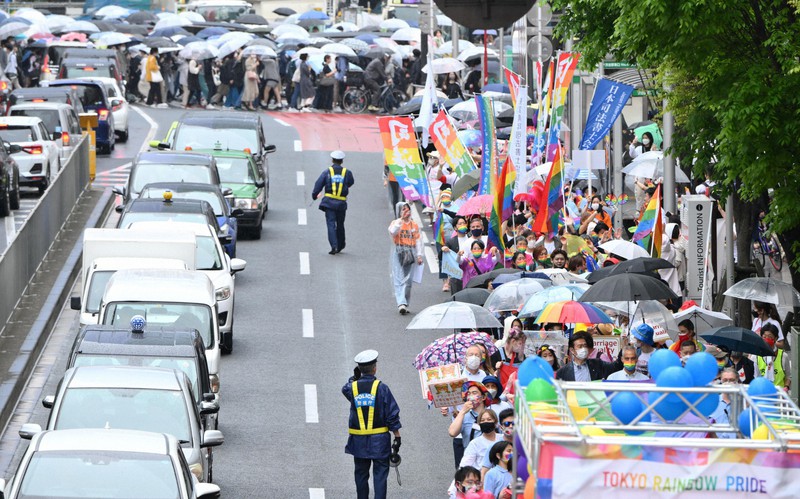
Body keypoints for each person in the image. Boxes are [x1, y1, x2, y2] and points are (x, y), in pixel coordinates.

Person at [342, 350, 401, 499]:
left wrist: (354, 378)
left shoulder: (352, 388)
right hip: (379, 440)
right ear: (375, 368)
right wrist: (397, 436)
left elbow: (345, 388)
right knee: (380, 475)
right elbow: (392, 413)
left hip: (358, 440)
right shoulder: (382, 388)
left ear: (359, 369)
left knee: (361, 474)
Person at [311, 151, 355, 255]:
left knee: (331, 224)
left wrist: (314, 195)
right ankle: (341, 245)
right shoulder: (347, 172)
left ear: (332, 160)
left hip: (329, 203)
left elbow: (318, 184)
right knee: (340, 224)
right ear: (342, 161)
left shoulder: (327, 172)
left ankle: (334, 246)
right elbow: (351, 182)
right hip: (341, 203)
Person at [388, 202, 424, 315]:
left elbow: (418, 241)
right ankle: (401, 303)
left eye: (407, 209)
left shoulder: (414, 225)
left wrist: (419, 255)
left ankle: (406, 302)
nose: (406, 211)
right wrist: (400, 220)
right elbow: (392, 232)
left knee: (408, 280)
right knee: (398, 277)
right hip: (399, 250)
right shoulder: (396, 223)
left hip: (411, 251)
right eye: (403, 209)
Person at [448, 381, 490, 450]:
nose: (471, 396)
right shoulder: (464, 416)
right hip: (471, 455)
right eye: (469, 394)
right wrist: (462, 411)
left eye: (474, 393)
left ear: (483, 397)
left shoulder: (491, 414)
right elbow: (452, 433)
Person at [756, 323, 791, 390]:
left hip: (779, 394)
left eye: (770, 337)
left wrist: (786, 387)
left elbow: (788, 377)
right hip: (762, 394)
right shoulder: (756, 356)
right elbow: (754, 377)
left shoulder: (783, 356)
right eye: (764, 337)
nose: (767, 339)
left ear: (776, 338)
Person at [709, 367, 738, 438]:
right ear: (721, 381)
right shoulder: (712, 403)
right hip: (717, 445)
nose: (728, 383)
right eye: (725, 380)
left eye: (731, 380)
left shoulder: (743, 402)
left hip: (738, 445)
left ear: (737, 381)